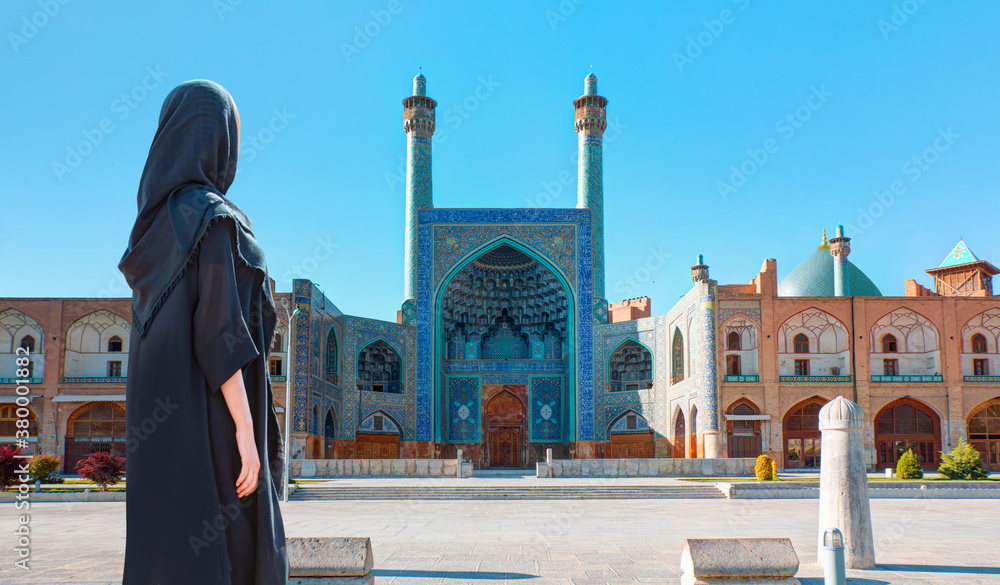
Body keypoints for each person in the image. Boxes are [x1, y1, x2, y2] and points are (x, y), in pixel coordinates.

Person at [118, 79, 288, 584]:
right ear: (216, 138)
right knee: (228, 547)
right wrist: (246, 433)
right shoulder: (213, 218)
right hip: (212, 417)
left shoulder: (149, 231)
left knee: (168, 548)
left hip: (157, 430)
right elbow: (220, 335)